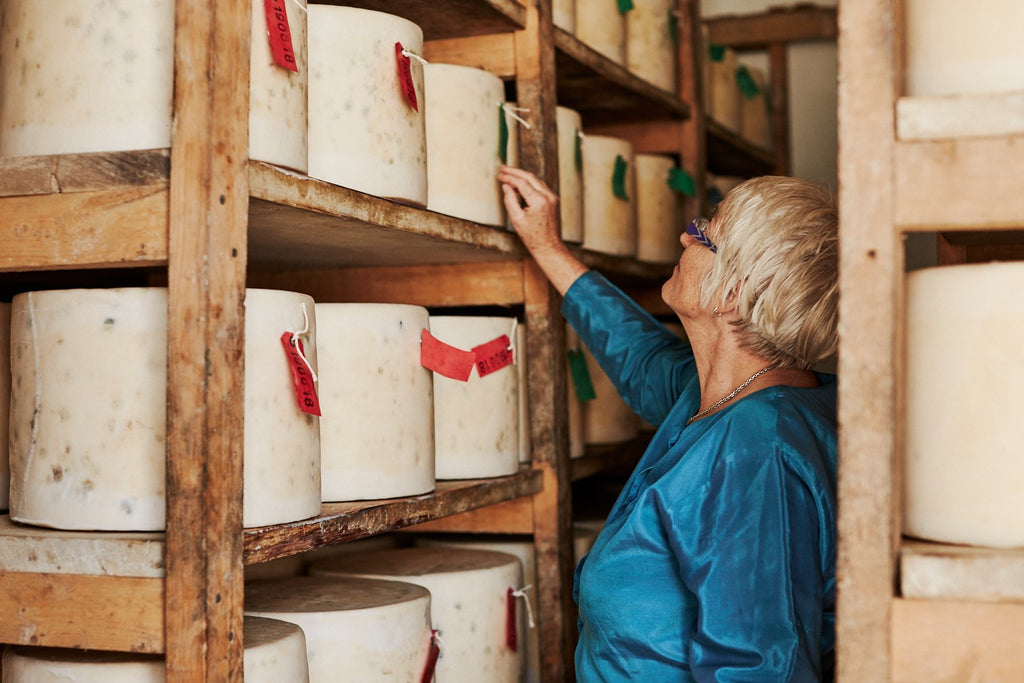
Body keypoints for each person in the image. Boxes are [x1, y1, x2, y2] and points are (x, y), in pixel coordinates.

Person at [498, 165, 838, 682]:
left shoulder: (755, 453)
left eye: (704, 231)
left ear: (732, 292)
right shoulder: (734, 392)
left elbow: (760, 669)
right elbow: (641, 357)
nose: (685, 234)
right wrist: (548, 248)